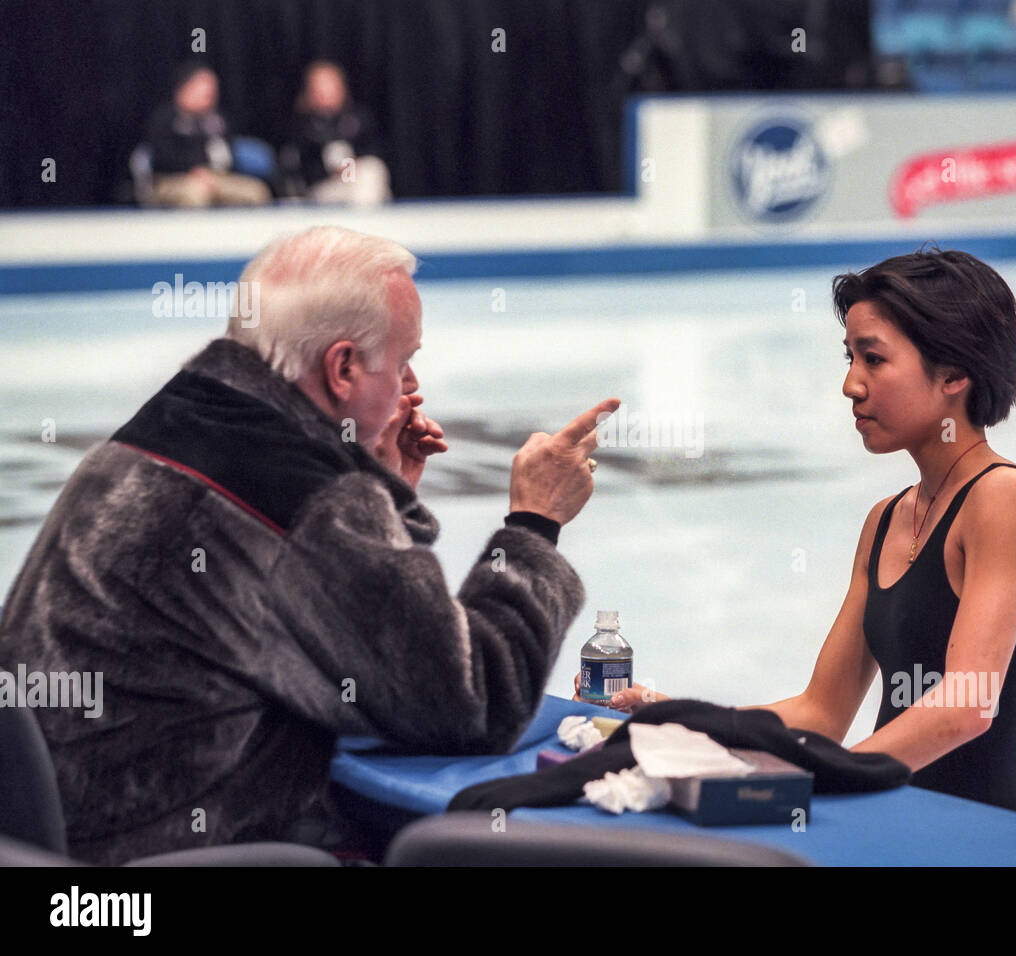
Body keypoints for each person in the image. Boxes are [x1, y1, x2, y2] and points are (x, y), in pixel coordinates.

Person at [0, 226, 618, 864]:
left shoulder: (158, 431)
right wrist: (534, 526)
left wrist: (381, 490)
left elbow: (321, 623)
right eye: (403, 360)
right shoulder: (304, 497)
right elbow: (478, 700)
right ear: (343, 367)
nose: (411, 383)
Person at [581, 248, 1016, 817]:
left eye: (874, 360)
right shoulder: (886, 519)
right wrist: (694, 722)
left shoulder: (1004, 498)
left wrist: (830, 779)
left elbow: (967, 704)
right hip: (885, 818)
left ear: (953, 374)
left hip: (978, 841)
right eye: (850, 357)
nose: (851, 385)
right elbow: (822, 710)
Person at [143, 61, 272, 207]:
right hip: (175, 179)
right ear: (184, 89)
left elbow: (229, 155)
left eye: (213, 88)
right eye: (203, 87)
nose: (210, 93)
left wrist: (214, 173)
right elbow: (162, 158)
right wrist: (194, 170)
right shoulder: (164, 120)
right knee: (195, 195)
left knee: (256, 192)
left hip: (215, 177)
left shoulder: (217, 120)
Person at [281, 60, 391, 205]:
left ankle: (364, 223)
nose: (325, 91)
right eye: (320, 86)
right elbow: (295, 170)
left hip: (358, 183)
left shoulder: (359, 119)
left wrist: (349, 165)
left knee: (371, 173)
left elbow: (375, 154)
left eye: (330, 85)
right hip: (320, 193)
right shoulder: (299, 125)